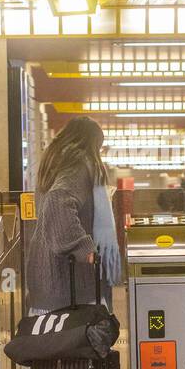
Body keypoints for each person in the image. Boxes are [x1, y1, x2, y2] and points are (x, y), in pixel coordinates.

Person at [25, 116, 120, 314]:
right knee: (83, 340)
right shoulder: (79, 166)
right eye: (98, 147)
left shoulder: (54, 165)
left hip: (47, 277)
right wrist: (83, 247)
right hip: (70, 286)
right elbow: (57, 202)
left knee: (50, 339)